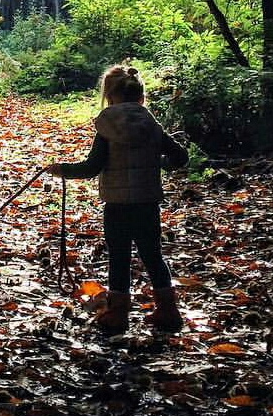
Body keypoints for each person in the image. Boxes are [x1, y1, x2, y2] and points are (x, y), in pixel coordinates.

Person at [47, 63, 189, 333]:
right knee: (153, 255)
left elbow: (92, 167)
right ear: (140, 96)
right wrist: (158, 163)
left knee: (119, 257)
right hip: (147, 201)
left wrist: (61, 169)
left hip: (117, 205)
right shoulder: (151, 124)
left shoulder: (107, 125)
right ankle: (168, 311)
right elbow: (180, 157)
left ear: (110, 95)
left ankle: (119, 314)